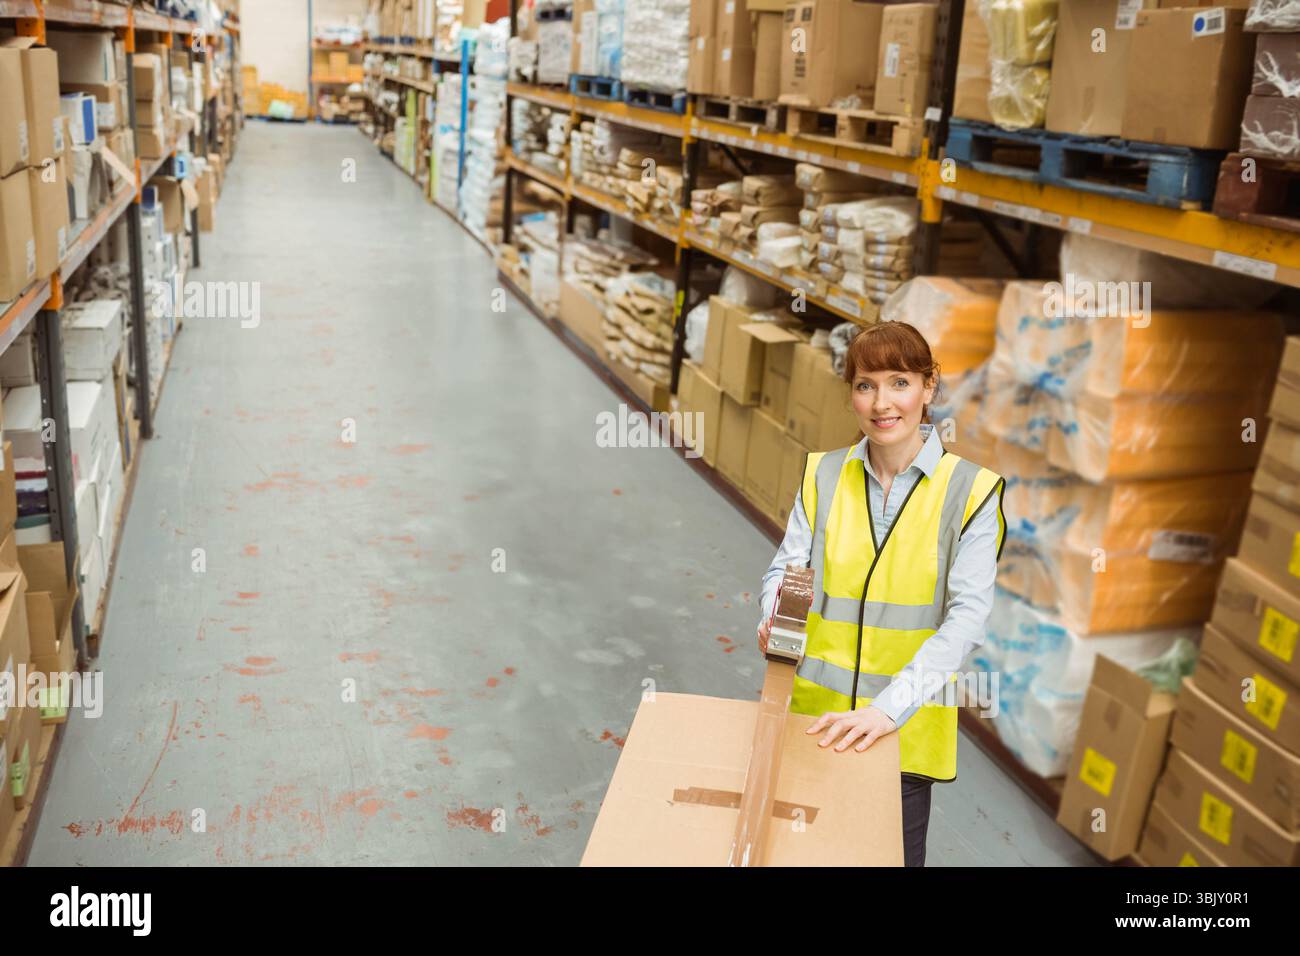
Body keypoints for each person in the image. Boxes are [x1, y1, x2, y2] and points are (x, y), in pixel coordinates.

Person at [757, 321, 1005, 867]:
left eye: (899, 382)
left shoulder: (972, 493)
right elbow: (786, 567)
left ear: (929, 387)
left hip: (901, 735)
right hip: (814, 723)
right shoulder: (822, 474)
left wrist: (887, 711)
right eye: (865, 384)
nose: (882, 402)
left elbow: (966, 620)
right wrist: (774, 608)